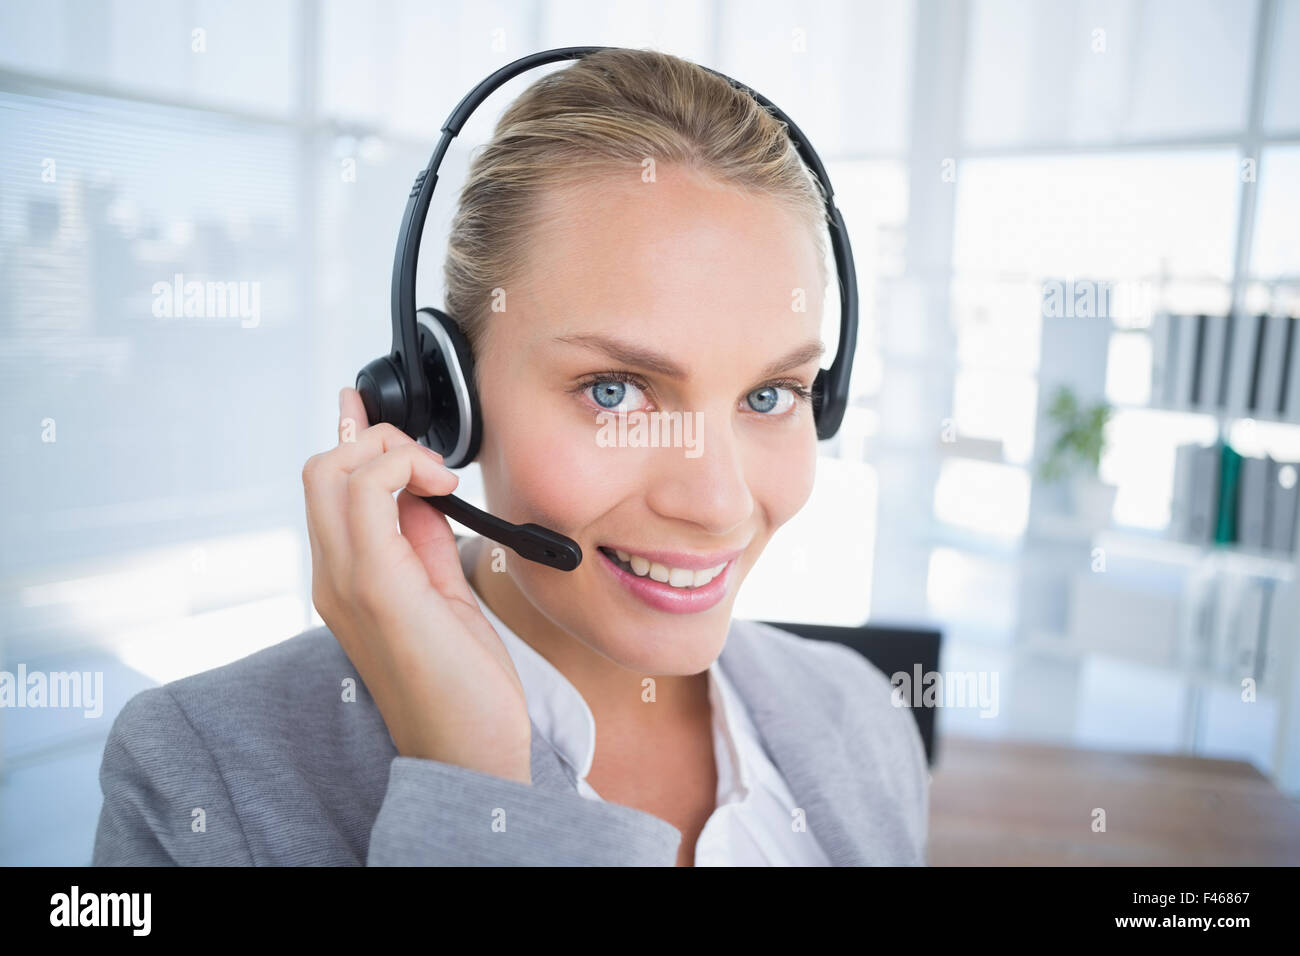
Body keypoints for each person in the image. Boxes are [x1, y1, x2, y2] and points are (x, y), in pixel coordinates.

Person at [91, 47, 928, 866]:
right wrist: (476, 798)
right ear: (443, 397)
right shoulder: (203, 776)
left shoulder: (861, 713)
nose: (716, 502)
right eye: (615, 391)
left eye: (770, 395)